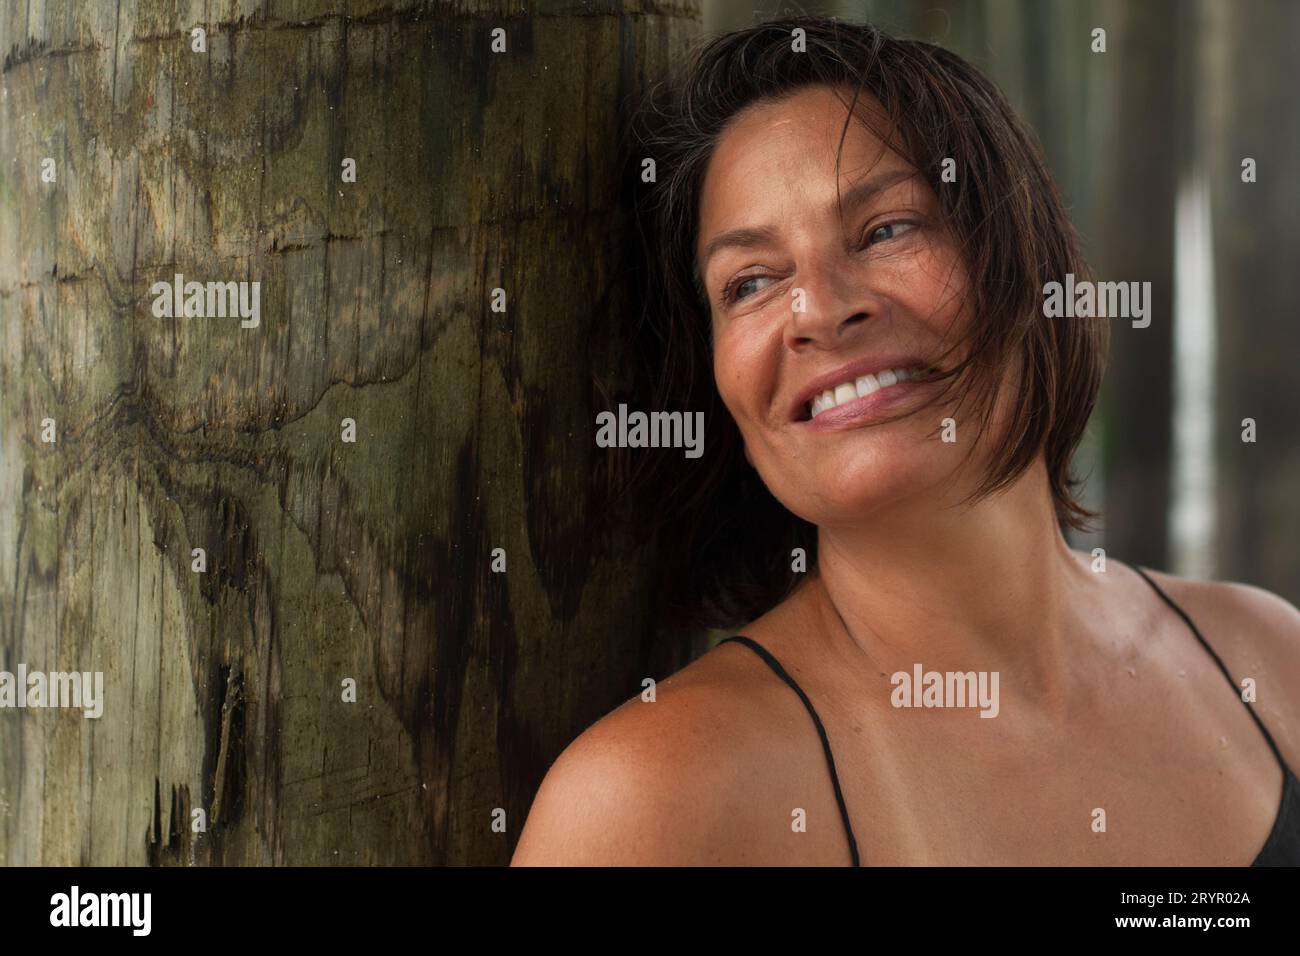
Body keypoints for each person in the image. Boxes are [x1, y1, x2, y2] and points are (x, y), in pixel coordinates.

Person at [511, 17, 1300, 866]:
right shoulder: (649, 802)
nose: (819, 309)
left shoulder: (1266, 658)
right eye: (750, 282)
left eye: (887, 229)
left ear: (1028, 260)